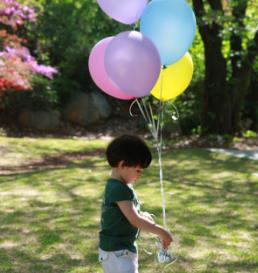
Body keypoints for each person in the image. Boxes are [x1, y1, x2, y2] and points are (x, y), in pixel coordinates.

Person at [98, 134, 173, 273]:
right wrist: (162, 232)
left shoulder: (119, 186)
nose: (139, 175)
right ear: (122, 164)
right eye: (138, 170)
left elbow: (130, 214)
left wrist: (142, 214)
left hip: (119, 250)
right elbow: (134, 219)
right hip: (117, 252)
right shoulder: (119, 188)